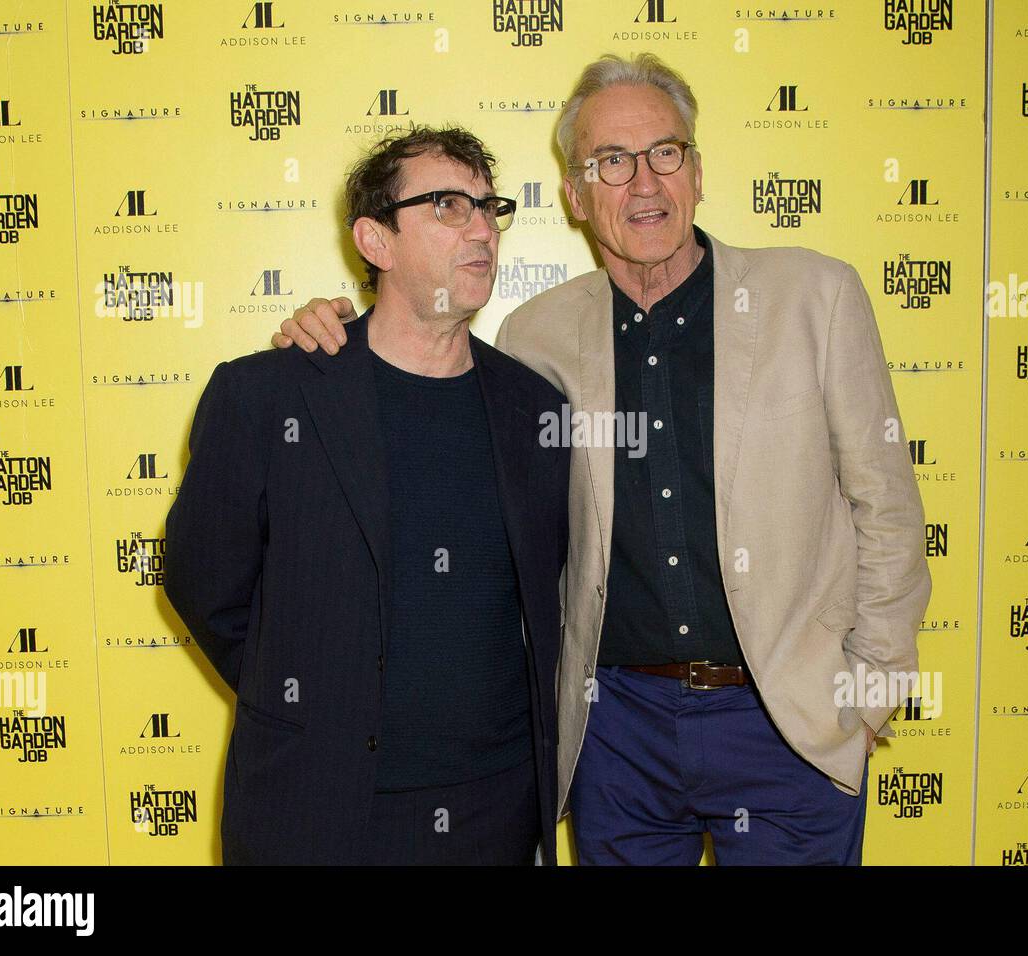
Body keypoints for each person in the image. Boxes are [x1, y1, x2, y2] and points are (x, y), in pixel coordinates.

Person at [273, 54, 931, 865]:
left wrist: (866, 699)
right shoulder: (534, 339)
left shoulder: (815, 299)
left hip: (788, 723)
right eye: (611, 162)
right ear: (577, 197)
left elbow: (889, 509)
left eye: (666, 152)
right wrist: (331, 332)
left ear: (697, 172)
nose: (644, 183)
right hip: (616, 731)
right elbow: (418, 378)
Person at [164, 126, 570, 865]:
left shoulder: (536, 410)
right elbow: (205, 584)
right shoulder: (266, 396)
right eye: (448, 205)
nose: (481, 228)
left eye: (489, 206)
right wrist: (311, 692)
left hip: (495, 816)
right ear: (374, 240)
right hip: (315, 810)